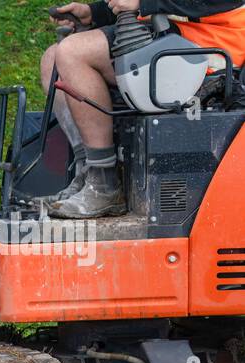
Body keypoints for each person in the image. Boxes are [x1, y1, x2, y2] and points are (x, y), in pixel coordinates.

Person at [41, 1, 245, 218]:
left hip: (211, 46)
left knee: (73, 52)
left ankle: (104, 184)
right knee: (53, 58)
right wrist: (93, 13)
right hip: (174, 34)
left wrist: (143, 2)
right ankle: (87, 171)